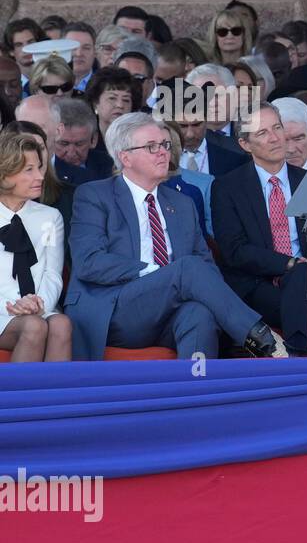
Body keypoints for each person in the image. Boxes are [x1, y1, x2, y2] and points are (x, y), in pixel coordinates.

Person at [66, 112, 288, 360]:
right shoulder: (94, 196)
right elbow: (89, 262)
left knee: (198, 314)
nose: (163, 152)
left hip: (168, 313)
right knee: (186, 269)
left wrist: (173, 278)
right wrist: (156, 272)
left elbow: (206, 266)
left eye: (165, 144)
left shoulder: (182, 204)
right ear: (125, 157)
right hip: (115, 310)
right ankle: (260, 337)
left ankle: (196, 392)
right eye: (151, 147)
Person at [210, 105, 307, 357]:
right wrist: (293, 263)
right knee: (302, 272)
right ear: (245, 144)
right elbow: (235, 251)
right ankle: (306, 354)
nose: (275, 138)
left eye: (277, 127)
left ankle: (295, 356)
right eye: (262, 133)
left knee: (304, 277)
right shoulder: (227, 187)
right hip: (256, 287)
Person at [0, 132, 71, 361]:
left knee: (61, 323)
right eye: (28, 170)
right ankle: (17, 398)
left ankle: (58, 398)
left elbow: (53, 274)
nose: (40, 176)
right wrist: (14, 306)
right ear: (4, 174)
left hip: (38, 308)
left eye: (40, 167)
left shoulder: (50, 217)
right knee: (34, 327)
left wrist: (39, 305)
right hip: (3, 309)